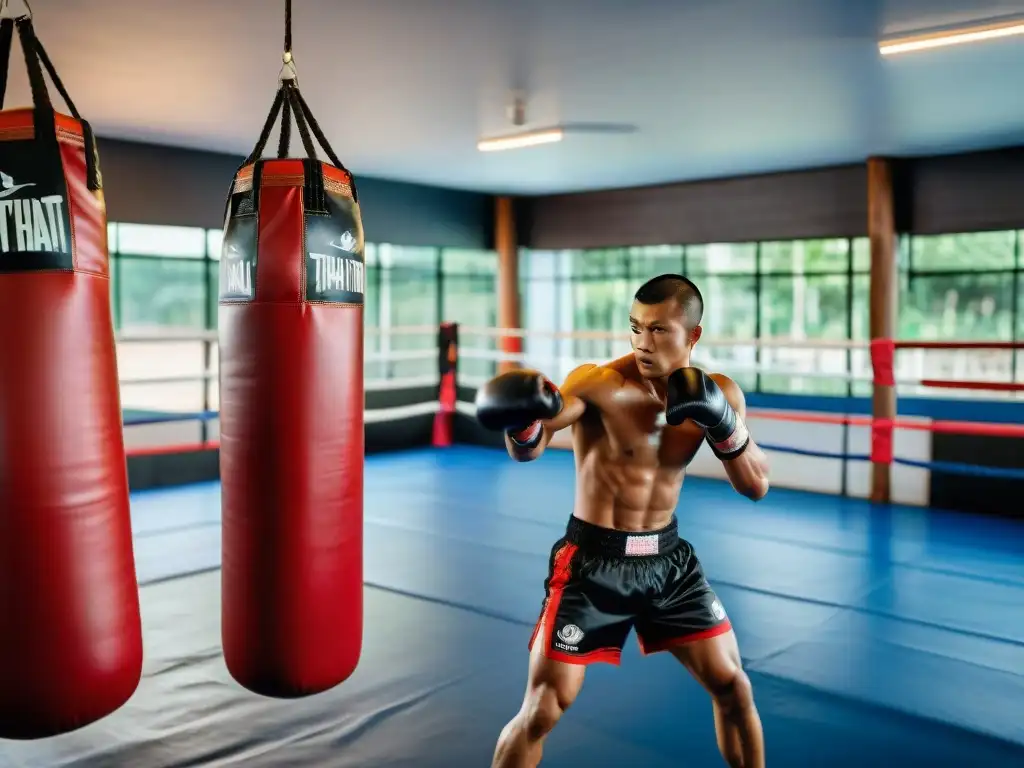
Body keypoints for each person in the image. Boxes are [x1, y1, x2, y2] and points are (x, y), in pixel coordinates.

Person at [475, 274, 770, 768]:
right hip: (593, 564)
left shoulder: (719, 394)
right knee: (542, 709)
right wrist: (523, 422)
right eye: (635, 328)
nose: (641, 343)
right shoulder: (599, 383)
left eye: (658, 331)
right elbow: (532, 447)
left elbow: (756, 485)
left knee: (734, 686)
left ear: (692, 336)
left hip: (669, 564)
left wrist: (723, 424)